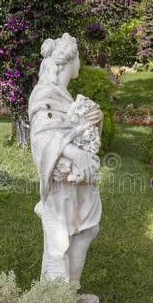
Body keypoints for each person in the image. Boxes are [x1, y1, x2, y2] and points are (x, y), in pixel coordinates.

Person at [28, 32, 102, 283]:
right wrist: (76, 154)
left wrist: (93, 120)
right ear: (69, 62)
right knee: (62, 241)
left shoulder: (62, 94)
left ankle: (67, 301)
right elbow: (42, 137)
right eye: (79, 57)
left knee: (86, 231)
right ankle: (61, 302)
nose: (80, 63)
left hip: (75, 179)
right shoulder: (44, 94)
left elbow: (69, 128)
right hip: (62, 182)